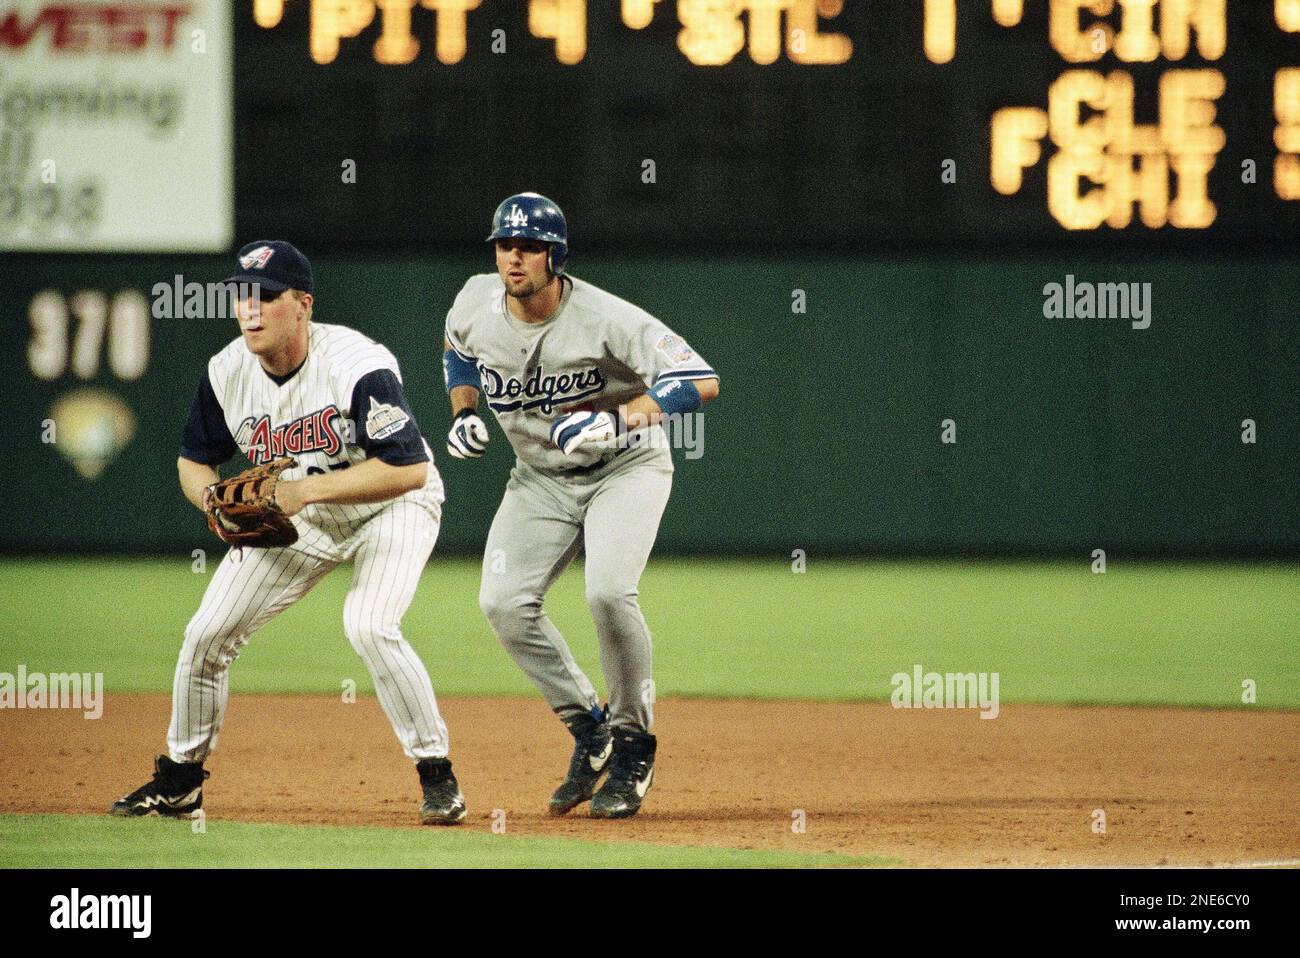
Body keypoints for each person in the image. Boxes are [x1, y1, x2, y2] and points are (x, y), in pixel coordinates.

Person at [110, 240, 466, 825]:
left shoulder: (355, 363)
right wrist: (211, 501)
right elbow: (194, 458)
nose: (251, 308)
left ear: (303, 304)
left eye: (267, 296)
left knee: (371, 625)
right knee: (206, 636)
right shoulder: (226, 372)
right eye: (241, 296)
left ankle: (437, 774)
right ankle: (179, 782)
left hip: (391, 506)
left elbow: (408, 468)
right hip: (300, 520)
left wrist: (303, 492)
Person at [442, 194, 720, 818]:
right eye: (504, 245)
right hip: (539, 478)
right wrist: (462, 410)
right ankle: (589, 728)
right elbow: (457, 347)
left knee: (608, 592)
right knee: (502, 604)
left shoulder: (603, 316)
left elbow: (700, 379)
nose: (513, 258)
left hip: (627, 466)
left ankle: (633, 742)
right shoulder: (473, 300)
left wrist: (620, 418)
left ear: (554, 255)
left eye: (529, 246)